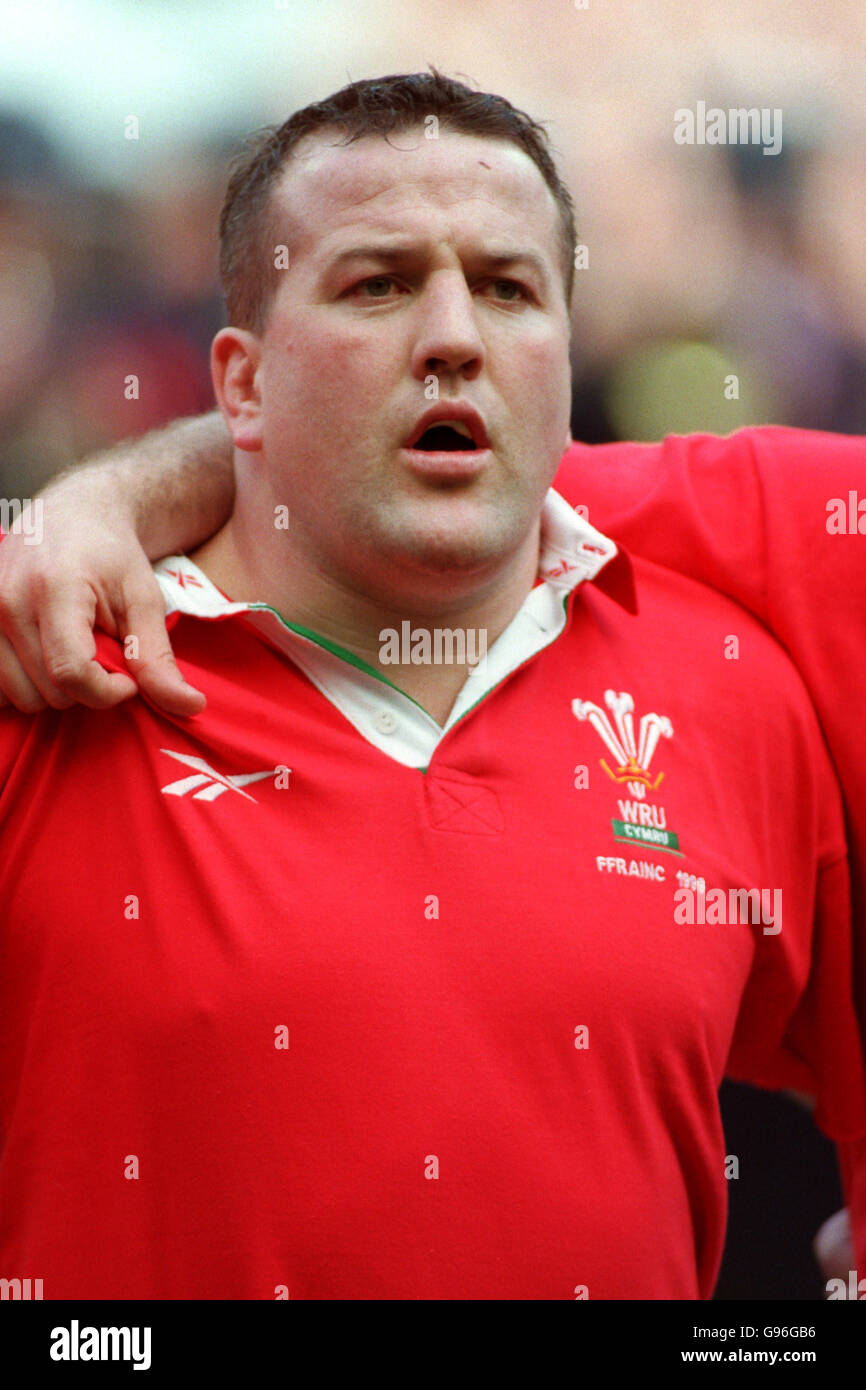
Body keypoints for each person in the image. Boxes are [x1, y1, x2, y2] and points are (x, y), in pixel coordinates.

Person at [0, 71, 864, 1300]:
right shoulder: (51, 670)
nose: (455, 333)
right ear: (239, 380)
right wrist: (98, 500)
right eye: (379, 283)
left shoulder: (740, 691)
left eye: (510, 289)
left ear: (565, 361)